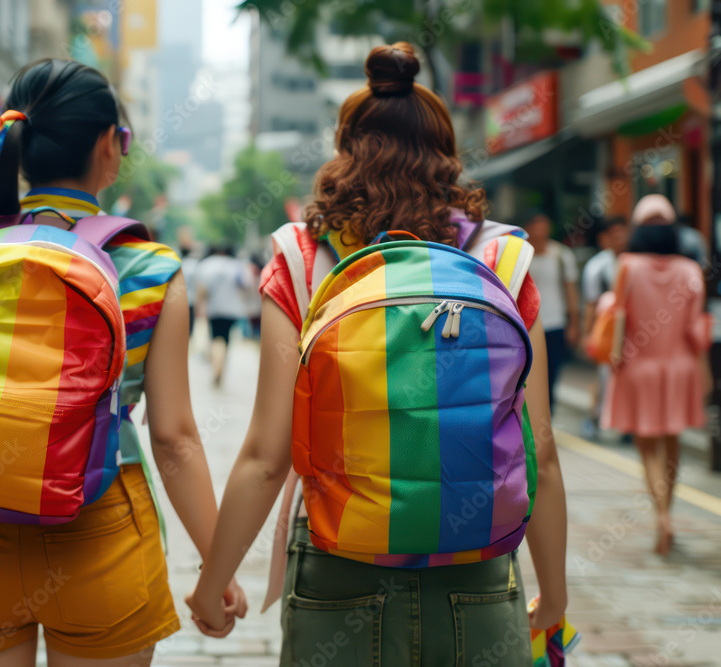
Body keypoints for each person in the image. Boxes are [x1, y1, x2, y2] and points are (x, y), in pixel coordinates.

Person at [187, 43, 568, 665]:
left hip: (339, 564)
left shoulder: (302, 258)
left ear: (346, 151)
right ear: (446, 158)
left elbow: (266, 455)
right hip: (477, 565)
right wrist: (553, 592)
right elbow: (542, 451)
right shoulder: (503, 258)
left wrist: (212, 583)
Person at [0, 58, 245, 667]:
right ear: (109, 144)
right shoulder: (152, 267)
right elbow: (175, 438)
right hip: (100, 522)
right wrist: (217, 573)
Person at [602, 194, 711, 557]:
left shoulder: (627, 266)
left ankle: (661, 515)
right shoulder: (691, 270)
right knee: (672, 442)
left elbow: (617, 315)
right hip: (679, 368)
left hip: (637, 365)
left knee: (646, 447)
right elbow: (697, 331)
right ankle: (669, 511)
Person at [523, 210, 579, 410]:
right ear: (528, 229)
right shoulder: (521, 256)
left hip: (555, 323)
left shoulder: (561, 255)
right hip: (527, 325)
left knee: (552, 371)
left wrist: (573, 324)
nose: (540, 231)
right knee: (529, 373)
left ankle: (548, 412)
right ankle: (532, 411)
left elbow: (570, 291)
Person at [580, 216, 628, 438]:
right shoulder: (597, 267)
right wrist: (588, 334)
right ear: (605, 239)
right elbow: (591, 304)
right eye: (615, 234)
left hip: (633, 332)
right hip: (607, 332)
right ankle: (595, 416)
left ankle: (627, 423)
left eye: (623, 233)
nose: (620, 238)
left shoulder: (634, 262)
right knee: (603, 375)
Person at [195, 246, 250, 387]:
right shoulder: (236, 265)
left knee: (215, 338)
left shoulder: (207, 265)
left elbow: (201, 290)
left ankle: (216, 368)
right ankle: (221, 369)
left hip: (214, 309)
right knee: (226, 340)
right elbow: (246, 285)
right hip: (232, 310)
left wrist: (200, 306)